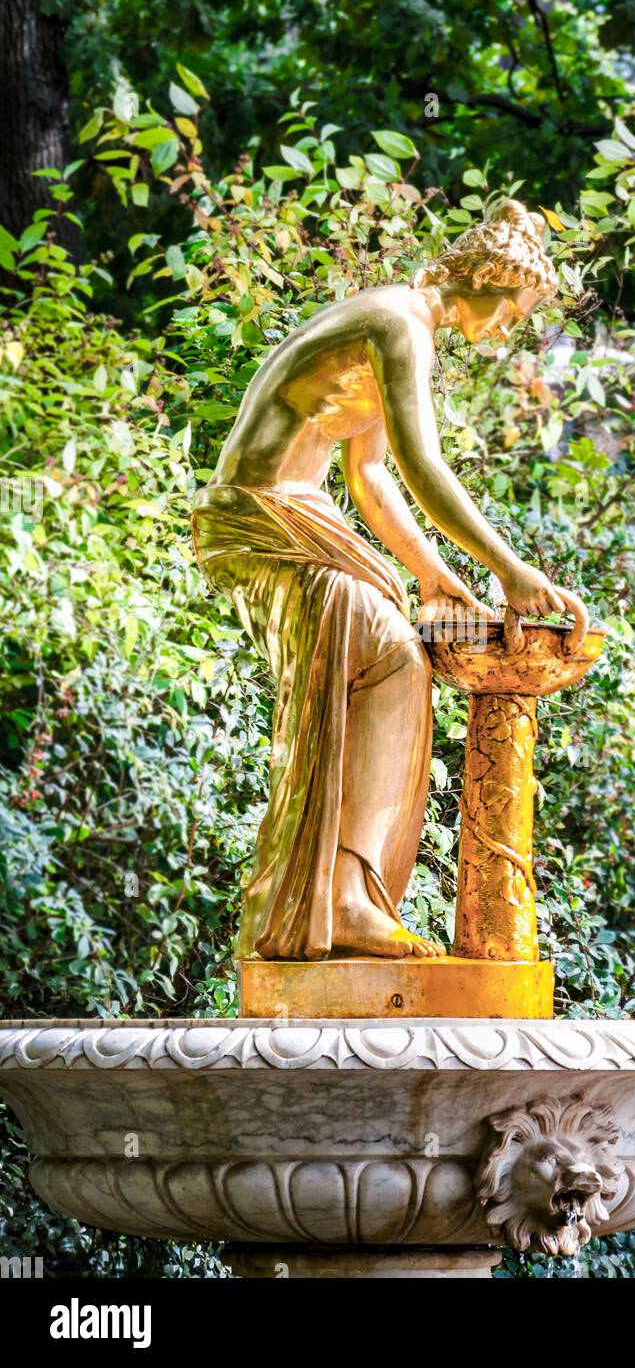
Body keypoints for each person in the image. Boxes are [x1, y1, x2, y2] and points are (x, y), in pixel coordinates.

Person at [192, 199, 585, 961]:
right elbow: (420, 461)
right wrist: (511, 570)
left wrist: (433, 574)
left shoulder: (391, 321)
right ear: (483, 278)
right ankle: (339, 899)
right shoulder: (399, 323)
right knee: (390, 660)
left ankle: (339, 899)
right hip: (266, 513)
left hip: (282, 511)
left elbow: (369, 472)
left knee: (386, 661)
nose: (508, 327)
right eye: (512, 307)